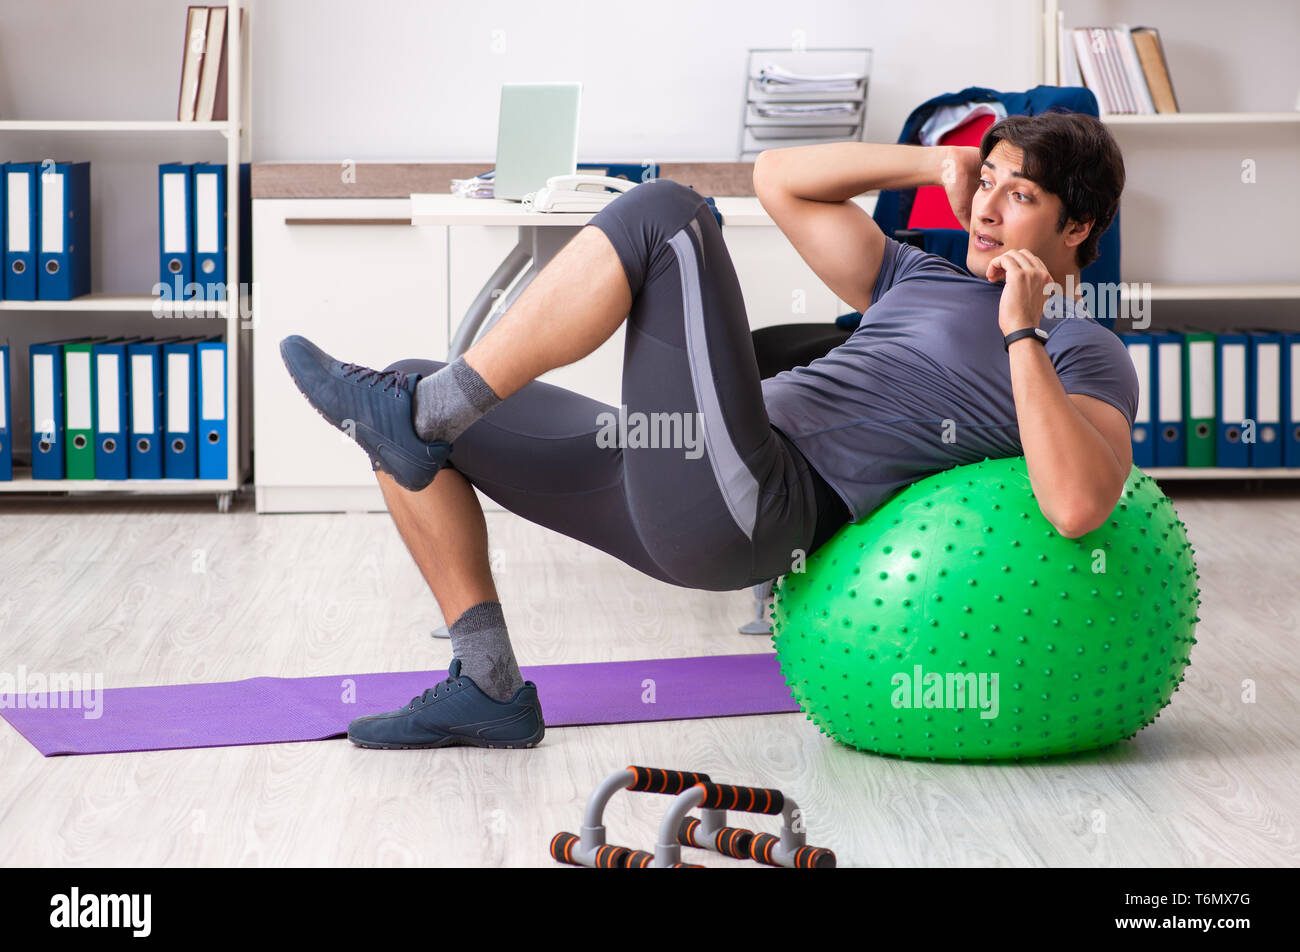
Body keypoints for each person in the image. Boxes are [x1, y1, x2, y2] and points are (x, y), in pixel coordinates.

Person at [280, 109, 1137, 750]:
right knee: (398, 387)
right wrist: (935, 159)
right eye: (986, 184)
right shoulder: (910, 271)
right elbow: (780, 178)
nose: (986, 209)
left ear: (1077, 226)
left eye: (1019, 195)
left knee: (667, 216)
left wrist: (1023, 326)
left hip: (755, 502)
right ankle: (487, 685)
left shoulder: (1083, 348)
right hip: (668, 467)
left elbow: (1076, 503)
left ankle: (429, 413)